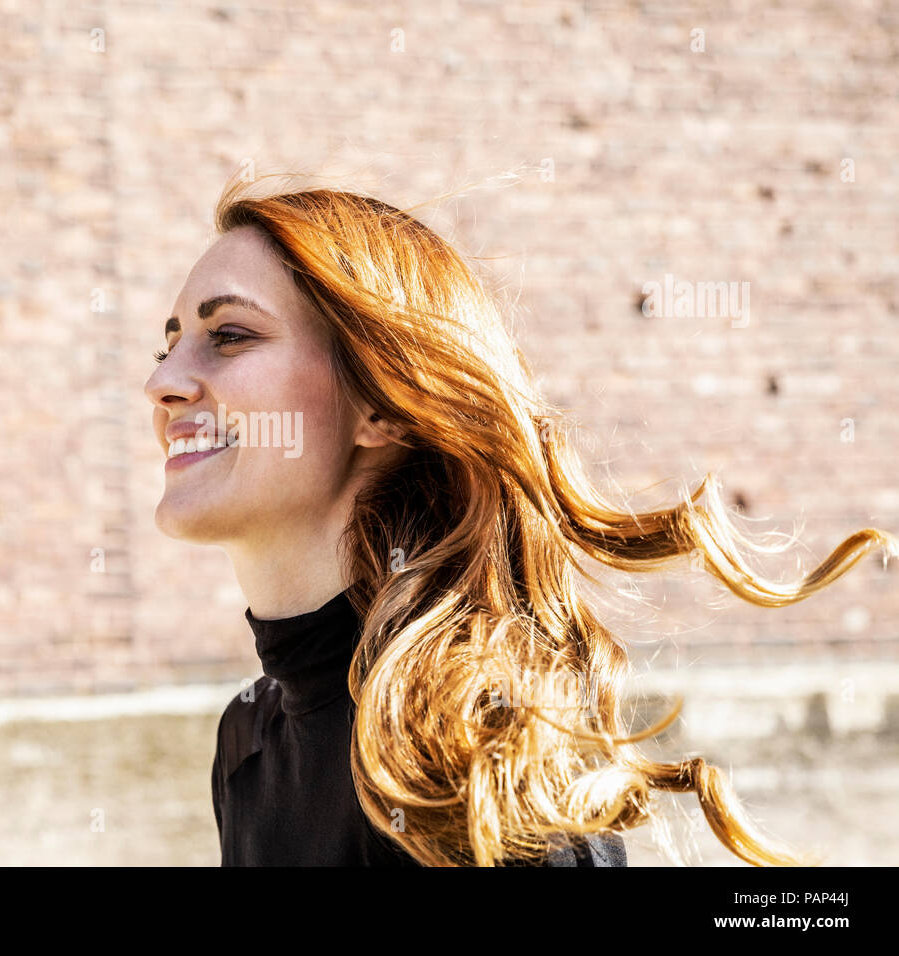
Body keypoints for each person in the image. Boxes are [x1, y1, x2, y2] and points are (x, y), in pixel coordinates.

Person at [143, 175, 897, 866]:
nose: (163, 382)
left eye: (231, 335)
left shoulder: (475, 755)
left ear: (379, 402)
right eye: (168, 345)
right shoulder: (247, 744)